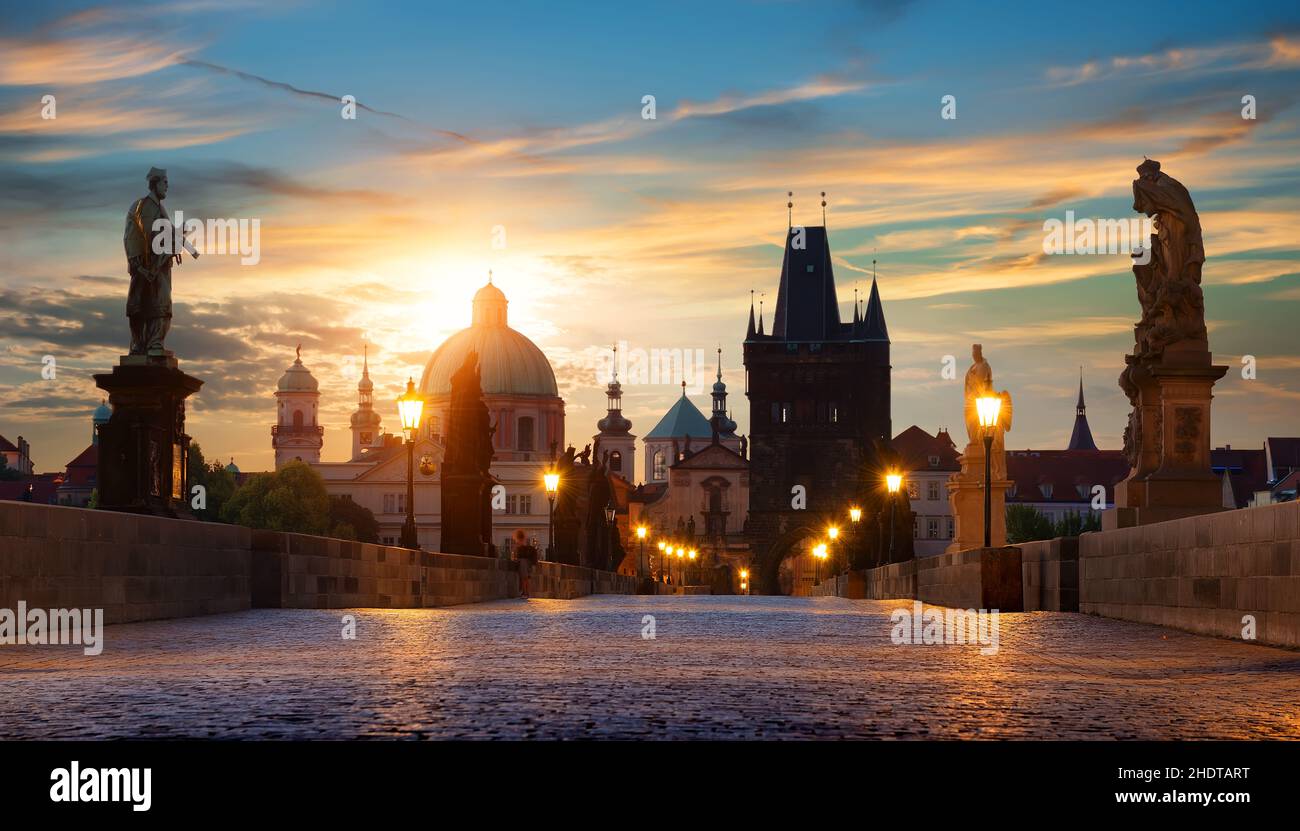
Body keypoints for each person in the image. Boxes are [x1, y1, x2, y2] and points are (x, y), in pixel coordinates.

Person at [513, 528, 537, 598]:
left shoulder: (521, 546)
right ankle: (526, 593)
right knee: (526, 579)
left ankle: (525, 593)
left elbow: (519, 556)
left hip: (523, 563)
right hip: (528, 563)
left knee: (524, 578)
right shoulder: (527, 547)